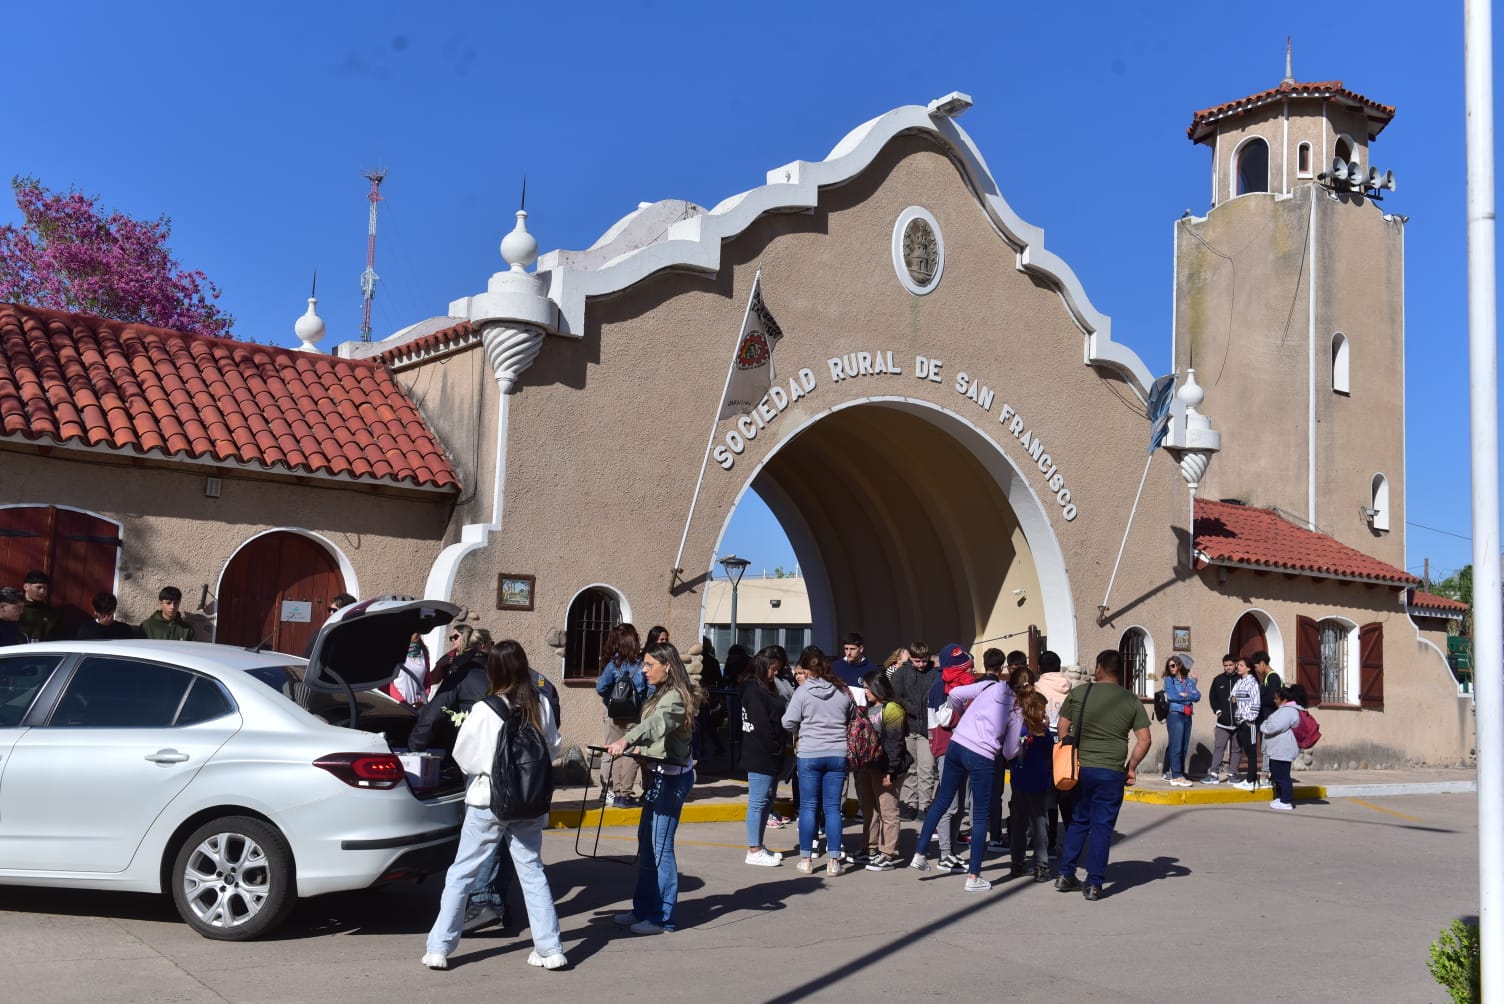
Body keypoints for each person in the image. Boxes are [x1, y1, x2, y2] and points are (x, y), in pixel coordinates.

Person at [421, 640, 567, 972]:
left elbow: (465, 757)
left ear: (495, 671)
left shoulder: (485, 709)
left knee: (463, 872)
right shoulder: (541, 703)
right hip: (528, 802)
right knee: (532, 871)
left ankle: (439, 948)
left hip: (487, 800)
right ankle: (550, 948)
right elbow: (553, 749)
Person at [607, 640, 701, 935]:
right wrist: (639, 749)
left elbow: (659, 723)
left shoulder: (674, 697)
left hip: (672, 779)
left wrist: (628, 739)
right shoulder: (661, 693)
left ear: (667, 666)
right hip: (659, 776)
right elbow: (662, 736)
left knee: (661, 848)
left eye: (649, 665)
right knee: (647, 845)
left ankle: (663, 918)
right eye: (644, 664)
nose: (644, 670)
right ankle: (643, 909)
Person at [911, 643, 1023, 892]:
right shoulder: (1016, 707)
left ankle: (919, 854)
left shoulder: (988, 685)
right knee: (979, 815)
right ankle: (973, 877)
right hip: (982, 755)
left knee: (942, 801)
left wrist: (963, 715)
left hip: (957, 744)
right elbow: (1008, 752)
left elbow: (957, 696)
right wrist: (1017, 747)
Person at [1054, 650, 1151, 901]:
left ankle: (1066, 874)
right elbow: (1144, 739)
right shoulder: (1131, 700)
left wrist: (1068, 749)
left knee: (1077, 821)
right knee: (1102, 828)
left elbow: (1062, 726)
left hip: (1080, 769)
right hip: (1111, 771)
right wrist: (1132, 766)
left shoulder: (1080, 693)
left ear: (1099, 668)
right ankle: (1094, 884)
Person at [781, 645, 854, 876]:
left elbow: (787, 721)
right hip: (837, 752)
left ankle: (807, 860)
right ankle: (834, 862)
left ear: (807, 669)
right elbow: (851, 716)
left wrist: (801, 729)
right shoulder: (842, 690)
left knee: (808, 808)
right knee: (833, 808)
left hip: (810, 752)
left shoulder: (802, 692)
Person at [923, 643, 982, 871]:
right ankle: (944, 854)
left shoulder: (965, 685)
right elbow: (945, 719)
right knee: (949, 804)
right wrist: (960, 699)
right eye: (967, 668)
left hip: (966, 746)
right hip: (947, 749)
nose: (971, 672)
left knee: (962, 805)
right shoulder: (941, 687)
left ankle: (952, 851)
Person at [854, 669, 909, 870]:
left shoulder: (893, 709)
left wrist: (891, 772)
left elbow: (895, 744)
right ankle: (869, 848)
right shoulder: (867, 708)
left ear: (878, 687)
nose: (865, 692)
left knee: (888, 811)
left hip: (886, 767)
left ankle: (888, 853)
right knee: (870, 810)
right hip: (868, 767)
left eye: (867, 688)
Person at [738, 646, 788, 866]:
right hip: (760, 753)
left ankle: (759, 844)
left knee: (767, 802)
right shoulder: (752, 689)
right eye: (773, 668)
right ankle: (754, 849)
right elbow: (761, 725)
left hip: (770, 753)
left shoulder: (765, 687)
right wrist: (776, 747)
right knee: (758, 803)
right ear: (763, 665)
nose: (775, 673)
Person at [408, 629, 490, 753]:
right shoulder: (503, 672)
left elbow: (433, 715)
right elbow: (433, 679)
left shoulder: (461, 672)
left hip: (469, 746)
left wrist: (414, 748)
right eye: (450, 637)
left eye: (455, 637)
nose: (452, 640)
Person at [596, 623, 648, 807]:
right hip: (635, 714)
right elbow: (650, 690)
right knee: (631, 753)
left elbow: (600, 687)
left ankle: (617, 792)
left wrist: (612, 699)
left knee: (615, 751)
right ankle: (625, 794)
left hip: (615, 715)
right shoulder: (643, 666)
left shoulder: (612, 666)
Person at [1008, 688, 1054, 881]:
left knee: (1019, 823)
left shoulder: (1016, 729)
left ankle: (1017, 863)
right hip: (1038, 783)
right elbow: (1049, 754)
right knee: (1040, 824)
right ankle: (1041, 866)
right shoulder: (1043, 733)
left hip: (1018, 781)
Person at [891, 640, 938, 821]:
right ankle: (910, 804)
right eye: (917, 661)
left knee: (926, 769)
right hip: (908, 727)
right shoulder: (902, 673)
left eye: (924, 661)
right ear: (911, 658)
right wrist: (909, 707)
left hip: (927, 727)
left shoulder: (934, 673)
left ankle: (924, 806)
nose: (921, 665)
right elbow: (895, 696)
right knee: (910, 768)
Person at [1035, 649, 1072, 852]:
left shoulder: (1037, 688)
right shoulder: (1070, 687)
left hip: (1045, 743)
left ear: (1040, 668)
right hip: (1066, 744)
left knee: (1049, 795)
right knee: (1066, 790)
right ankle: (1072, 839)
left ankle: (1049, 842)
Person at [1260, 684, 1304, 811]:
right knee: (1277, 775)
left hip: (1282, 749)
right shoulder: (1285, 710)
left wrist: (1263, 725)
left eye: (1276, 698)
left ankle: (1287, 800)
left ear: (1283, 699)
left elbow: (1273, 727)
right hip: (1277, 749)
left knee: (1282, 776)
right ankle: (1281, 797)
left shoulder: (1288, 711)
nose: (1274, 700)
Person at [1159, 655, 1200, 786]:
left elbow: (1198, 695)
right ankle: (1176, 775)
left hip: (1187, 714)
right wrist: (1189, 697)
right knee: (1176, 745)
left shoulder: (1188, 681)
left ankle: (1180, 772)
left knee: (1184, 746)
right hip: (1175, 714)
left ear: (1179, 665)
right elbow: (1173, 696)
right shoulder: (1169, 680)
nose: (1171, 668)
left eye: (1173, 665)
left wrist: (1186, 695)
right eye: (1169, 666)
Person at [1201, 654, 1239, 784]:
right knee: (1219, 747)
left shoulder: (1241, 679)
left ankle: (1233, 774)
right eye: (1225, 665)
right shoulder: (1218, 680)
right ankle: (1213, 774)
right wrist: (1218, 712)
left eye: (1230, 665)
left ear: (1235, 664)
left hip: (1239, 723)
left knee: (1236, 749)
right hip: (1222, 724)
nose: (1228, 668)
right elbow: (1213, 698)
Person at [1229, 657, 1262, 790]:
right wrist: (1235, 698)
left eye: (1241, 665)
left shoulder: (1252, 683)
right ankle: (1250, 780)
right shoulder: (1239, 682)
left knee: (1251, 752)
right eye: (1238, 665)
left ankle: (1251, 781)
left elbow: (1256, 702)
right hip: (1240, 721)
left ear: (1248, 668)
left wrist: (1250, 719)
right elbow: (1231, 697)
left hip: (1249, 722)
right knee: (1246, 751)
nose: (1238, 668)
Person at [1251, 650, 1282, 781]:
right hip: (1268, 717)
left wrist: (1259, 697)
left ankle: (1266, 772)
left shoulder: (1272, 677)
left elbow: (1271, 699)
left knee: (1268, 746)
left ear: (1262, 663)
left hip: (1270, 717)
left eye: (1257, 666)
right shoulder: (1268, 677)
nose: (1257, 670)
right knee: (1266, 746)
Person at [388, 633, 430, 707]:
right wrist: (403, 703)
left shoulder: (424, 654)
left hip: (416, 708)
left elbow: (427, 681)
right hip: (396, 704)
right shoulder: (394, 652)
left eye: (418, 632)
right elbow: (388, 682)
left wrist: (422, 700)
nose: (417, 634)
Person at [429, 624, 474, 694]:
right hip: (449, 695)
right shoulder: (450, 655)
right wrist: (439, 666)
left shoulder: (474, 655)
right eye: (451, 638)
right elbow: (432, 680)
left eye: (455, 637)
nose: (453, 640)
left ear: (466, 636)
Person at [19, 571, 59, 642]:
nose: (42, 591)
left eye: (45, 588)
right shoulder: (14, 608)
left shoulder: (50, 612)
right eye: (38, 587)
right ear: (26, 587)